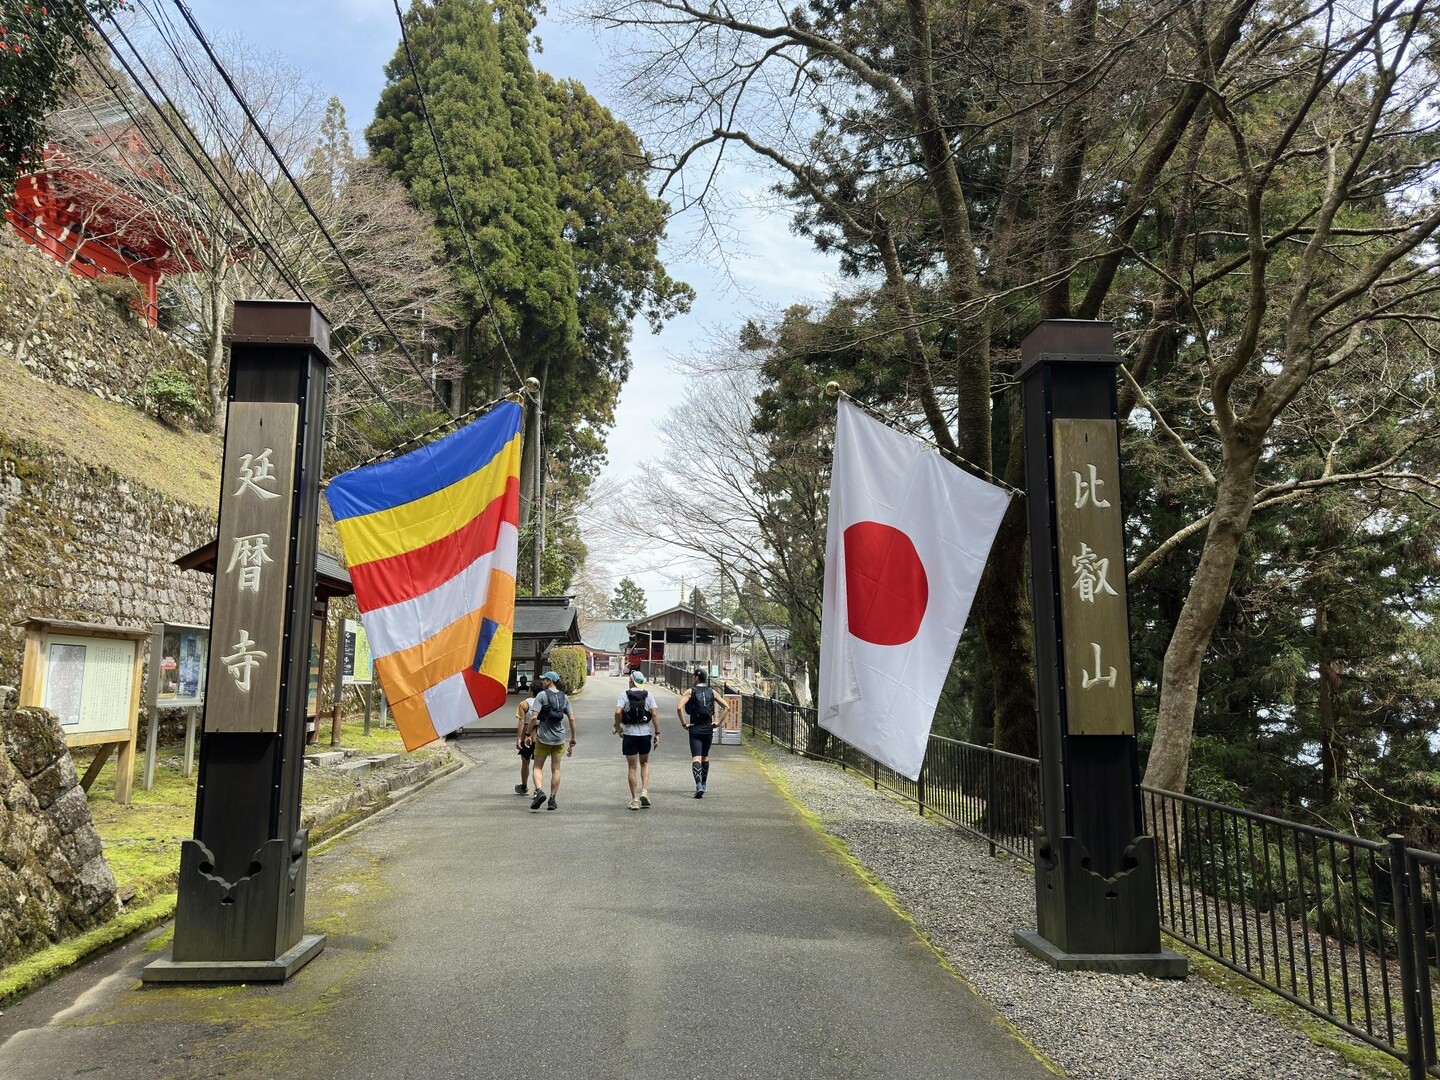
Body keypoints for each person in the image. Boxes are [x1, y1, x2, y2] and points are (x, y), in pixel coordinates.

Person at [526, 670, 576, 811]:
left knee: (537, 767)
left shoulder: (542, 695)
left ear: (550, 681)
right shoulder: (564, 697)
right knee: (556, 769)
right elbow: (571, 718)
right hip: (559, 738)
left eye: (545, 679)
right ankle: (552, 799)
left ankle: (540, 791)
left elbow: (534, 717)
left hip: (543, 738)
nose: (543, 682)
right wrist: (573, 738)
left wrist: (528, 733)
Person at [677, 669, 729, 798]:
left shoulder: (690, 691)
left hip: (695, 728)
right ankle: (704, 784)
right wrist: (717, 722)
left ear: (696, 678)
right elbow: (727, 707)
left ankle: (698, 784)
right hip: (708, 728)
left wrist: (684, 724)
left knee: (696, 757)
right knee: (705, 757)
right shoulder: (712, 691)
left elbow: (679, 708)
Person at [613, 670, 660, 810]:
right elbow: (655, 714)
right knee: (645, 763)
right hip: (645, 733)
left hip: (629, 734)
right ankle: (644, 791)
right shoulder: (649, 694)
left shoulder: (624, 695)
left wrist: (618, 726)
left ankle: (634, 800)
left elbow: (617, 712)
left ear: (631, 681)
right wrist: (657, 733)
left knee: (632, 767)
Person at [513, 685, 541, 795]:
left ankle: (524, 786)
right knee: (538, 765)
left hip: (527, 736)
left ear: (531, 691)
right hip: (540, 736)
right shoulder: (543, 703)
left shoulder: (524, 704)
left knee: (525, 762)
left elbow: (521, 722)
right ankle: (537, 790)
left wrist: (519, 738)